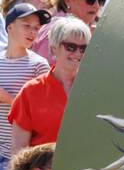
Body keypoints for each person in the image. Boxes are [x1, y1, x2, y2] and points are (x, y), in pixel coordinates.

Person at [8, 15, 89, 150]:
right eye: (70, 47)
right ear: (53, 48)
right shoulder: (31, 91)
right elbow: (18, 152)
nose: (78, 53)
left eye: (83, 48)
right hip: (43, 169)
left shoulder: (95, 87)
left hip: (86, 169)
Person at [0, 3, 49, 170]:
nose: (33, 31)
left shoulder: (38, 65)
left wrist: (9, 99)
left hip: (16, 157)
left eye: (36, 28)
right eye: (26, 25)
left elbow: (41, 114)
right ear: (10, 26)